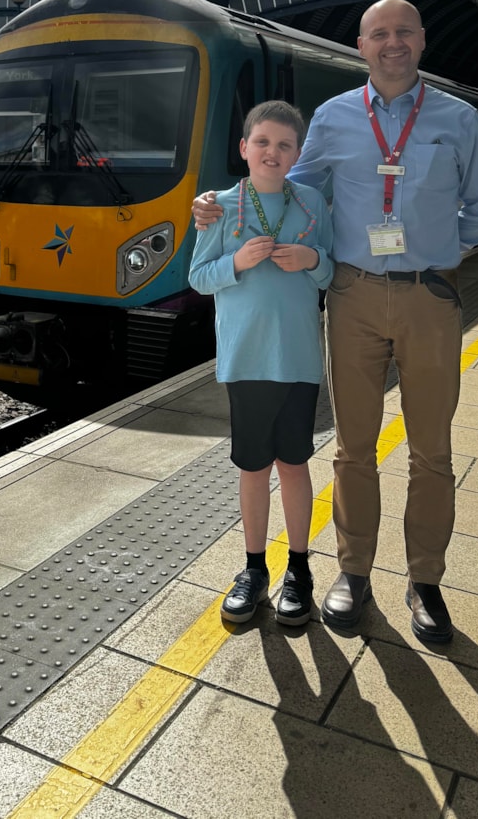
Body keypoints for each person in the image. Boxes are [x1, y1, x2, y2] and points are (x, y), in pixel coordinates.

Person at [193, 0, 478, 643]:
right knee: (354, 447)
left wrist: (437, 249)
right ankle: (353, 572)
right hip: (353, 295)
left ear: (421, 41)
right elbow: (283, 191)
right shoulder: (334, 119)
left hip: (429, 296)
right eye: (379, 34)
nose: (392, 42)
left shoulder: (459, 118)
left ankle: (426, 583)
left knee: (432, 450)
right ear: (361, 45)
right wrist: (216, 206)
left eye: (403, 32)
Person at [189, 100, 334, 627]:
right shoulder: (219, 206)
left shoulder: (312, 203)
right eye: (263, 142)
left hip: (298, 358)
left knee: (294, 465)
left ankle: (300, 568)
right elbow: (199, 276)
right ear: (244, 148)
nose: (273, 152)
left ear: (297, 154)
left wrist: (312, 260)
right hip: (245, 359)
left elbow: (332, 272)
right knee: (253, 468)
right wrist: (236, 262)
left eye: (285, 145)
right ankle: (254, 569)